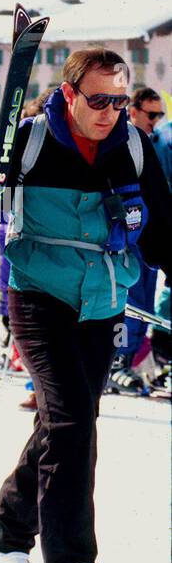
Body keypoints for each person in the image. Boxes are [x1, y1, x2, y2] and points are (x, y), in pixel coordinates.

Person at [0, 49, 170, 563]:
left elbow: (164, 231)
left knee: (61, 422)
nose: (111, 111)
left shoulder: (134, 147)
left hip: (103, 302)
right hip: (36, 295)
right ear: (69, 94)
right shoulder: (29, 141)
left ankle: (6, 539)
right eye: (99, 100)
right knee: (73, 419)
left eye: (120, 100)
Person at [108, 87, 166, 394]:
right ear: (133, 111)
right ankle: (115, 360)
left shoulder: (157, 143)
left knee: (143, 303)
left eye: (161, 115)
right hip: (125, 237)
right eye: (151, 114)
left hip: (152, 238)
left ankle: (129, 361)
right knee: (126, 302)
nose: (156, 121)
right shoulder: (122, 143)